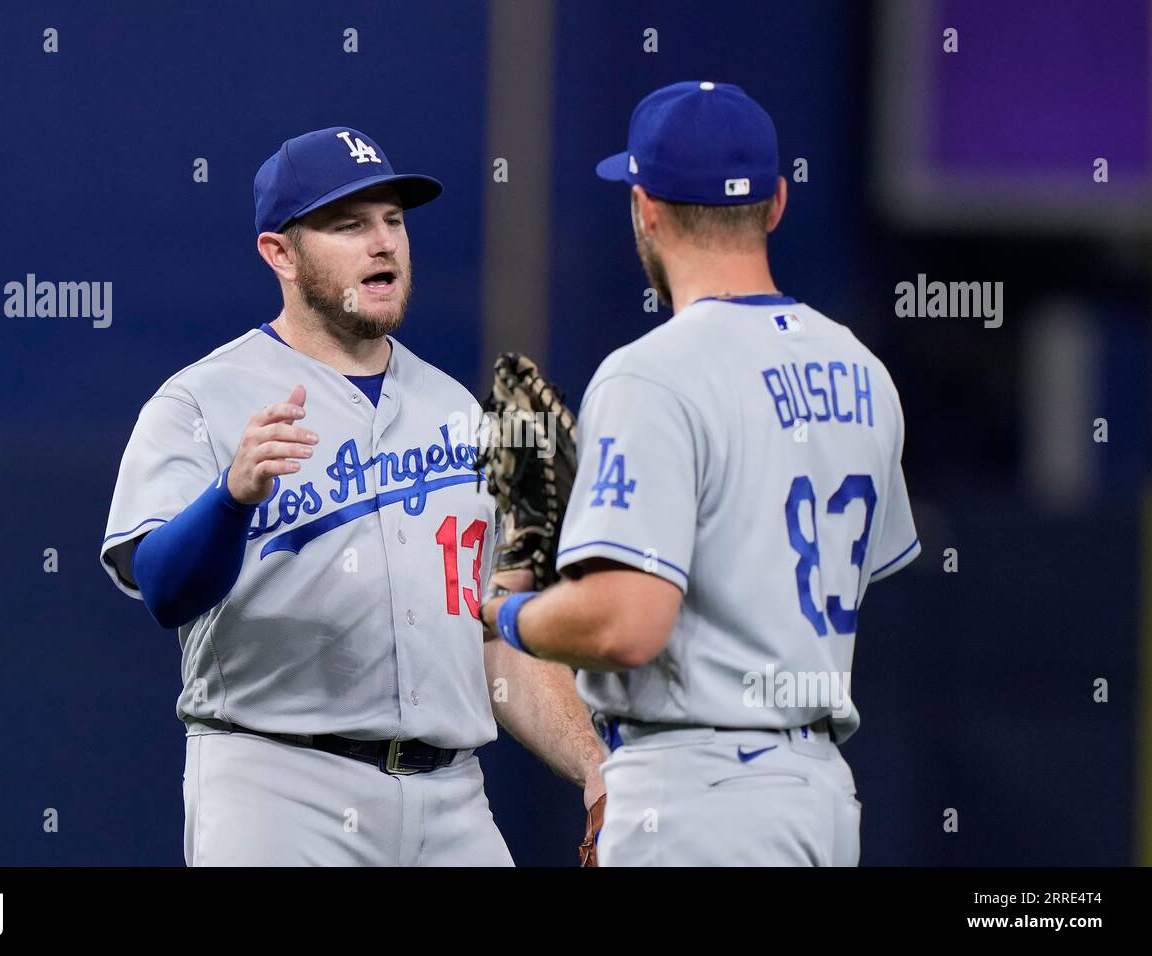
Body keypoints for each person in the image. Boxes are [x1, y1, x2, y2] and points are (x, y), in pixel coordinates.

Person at [100, 126, 606, 866]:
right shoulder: (200, 402)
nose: (384, 244)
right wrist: (230, 499)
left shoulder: (456, 411)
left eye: (393, 221)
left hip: (452, 799)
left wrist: (594, 766)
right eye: (348, 225)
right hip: (279, 788)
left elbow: (490, 635)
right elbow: (164, 590)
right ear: (280, 253)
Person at [481, 83, 920, 866]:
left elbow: (626, 623)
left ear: (645, 207)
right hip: (818, 794)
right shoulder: (863, 371)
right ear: (777, 203)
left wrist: (516, 613)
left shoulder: (651, 376)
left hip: (698, 795)